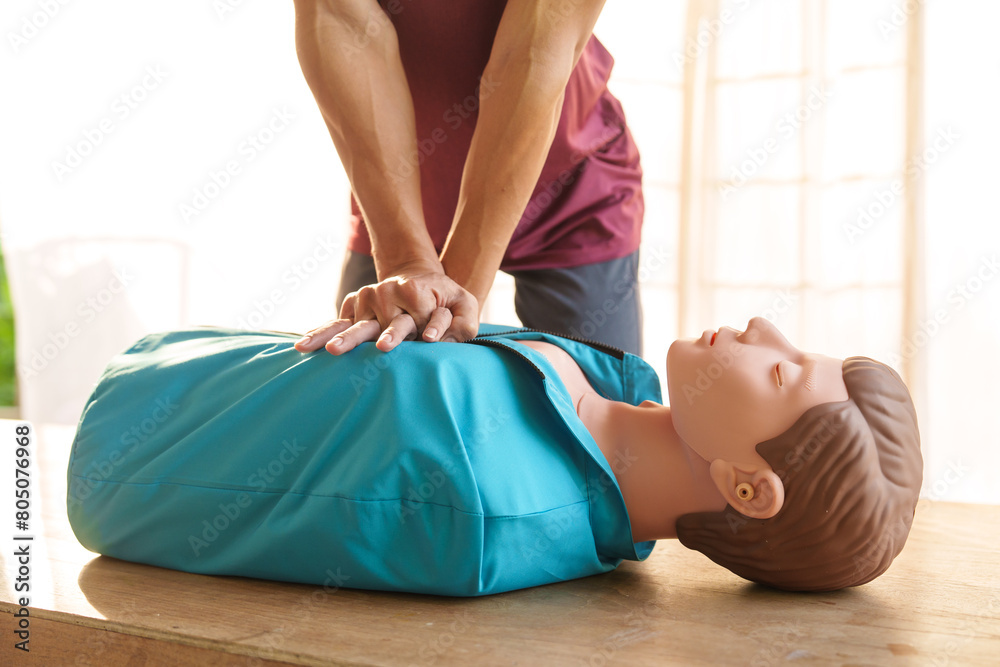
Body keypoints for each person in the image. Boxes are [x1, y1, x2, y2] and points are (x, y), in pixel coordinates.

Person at [67, 318, 922, 596]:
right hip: (161, 354)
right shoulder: (610, 374)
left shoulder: (488, 508)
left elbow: (180, 497)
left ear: (748, 486)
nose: (765, 328)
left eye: (780, 371)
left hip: (107, 444)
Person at [291, 0, 645, 356]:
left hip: (570, 195)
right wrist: (404, 263)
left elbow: (532, 50)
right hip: (399, 198)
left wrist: (446, 304)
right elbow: (338, 17)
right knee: (366, 392)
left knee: (596, 403)